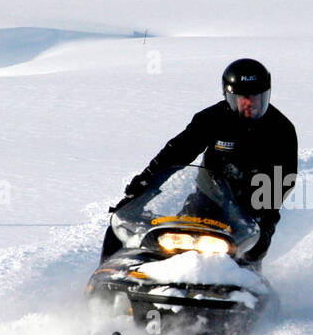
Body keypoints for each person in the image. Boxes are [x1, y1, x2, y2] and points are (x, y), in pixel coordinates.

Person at [100, 58, 297, 265]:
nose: (250, 104)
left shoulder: (281, 130)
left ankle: (245, 289)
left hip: (250, 213)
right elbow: (177, 152)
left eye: (256, 98)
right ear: (229, 96)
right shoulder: (212, 119)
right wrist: (144, 184)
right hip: (207, 200)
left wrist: (263, 223)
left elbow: (282, 181)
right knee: (171, 243)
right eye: (243, 98)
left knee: (247, 257)